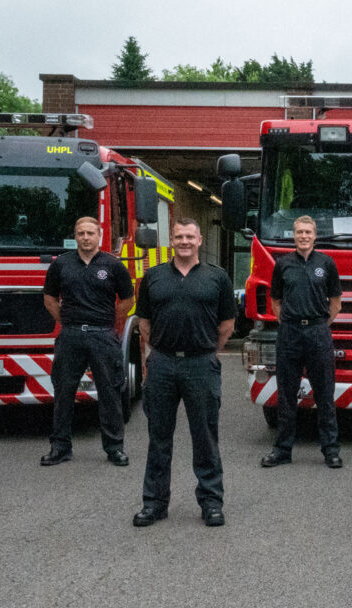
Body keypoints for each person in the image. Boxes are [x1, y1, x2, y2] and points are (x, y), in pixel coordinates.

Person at [132, 218, 235, 528]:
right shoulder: (153, 277)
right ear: (172, 241)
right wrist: (162, 351)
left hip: (201, 364)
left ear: (200, 240)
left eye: (190, 236)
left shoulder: (217, 278)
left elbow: (227, 325)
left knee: (205, 437)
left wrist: (204, 351)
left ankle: (211, 503)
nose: (185, 241)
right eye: (179, 236)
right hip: (162, 364)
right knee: (158, 438)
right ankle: (154, 504)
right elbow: (144, 322)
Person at [40, 217, 135, 467]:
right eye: (81, 233)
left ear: (99, 235)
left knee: (110, 393)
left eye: (90, 233)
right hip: (70, 336)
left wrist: (108, 324)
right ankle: (60, 447)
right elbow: (49, 298)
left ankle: (114, 448)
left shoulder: (113, 266)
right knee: (63, 393)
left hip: (102, 335)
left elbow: (127, 300)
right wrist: (69, 323)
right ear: (75, 235)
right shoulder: (61, 265)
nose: (85, 237)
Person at [261, 215, 344, 469]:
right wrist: (289, 322)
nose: (304, 236)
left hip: (318, 333)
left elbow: (336, 302)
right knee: (286, 394)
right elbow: (276, 300)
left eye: (308, 232)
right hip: (290, 334)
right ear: (293, 235)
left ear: (315, 236)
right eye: (299, 232)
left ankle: (330, 450)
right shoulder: (283, 264)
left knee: (325, 393)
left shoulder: (326, 263)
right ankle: (283, 450)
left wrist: (318, 325)